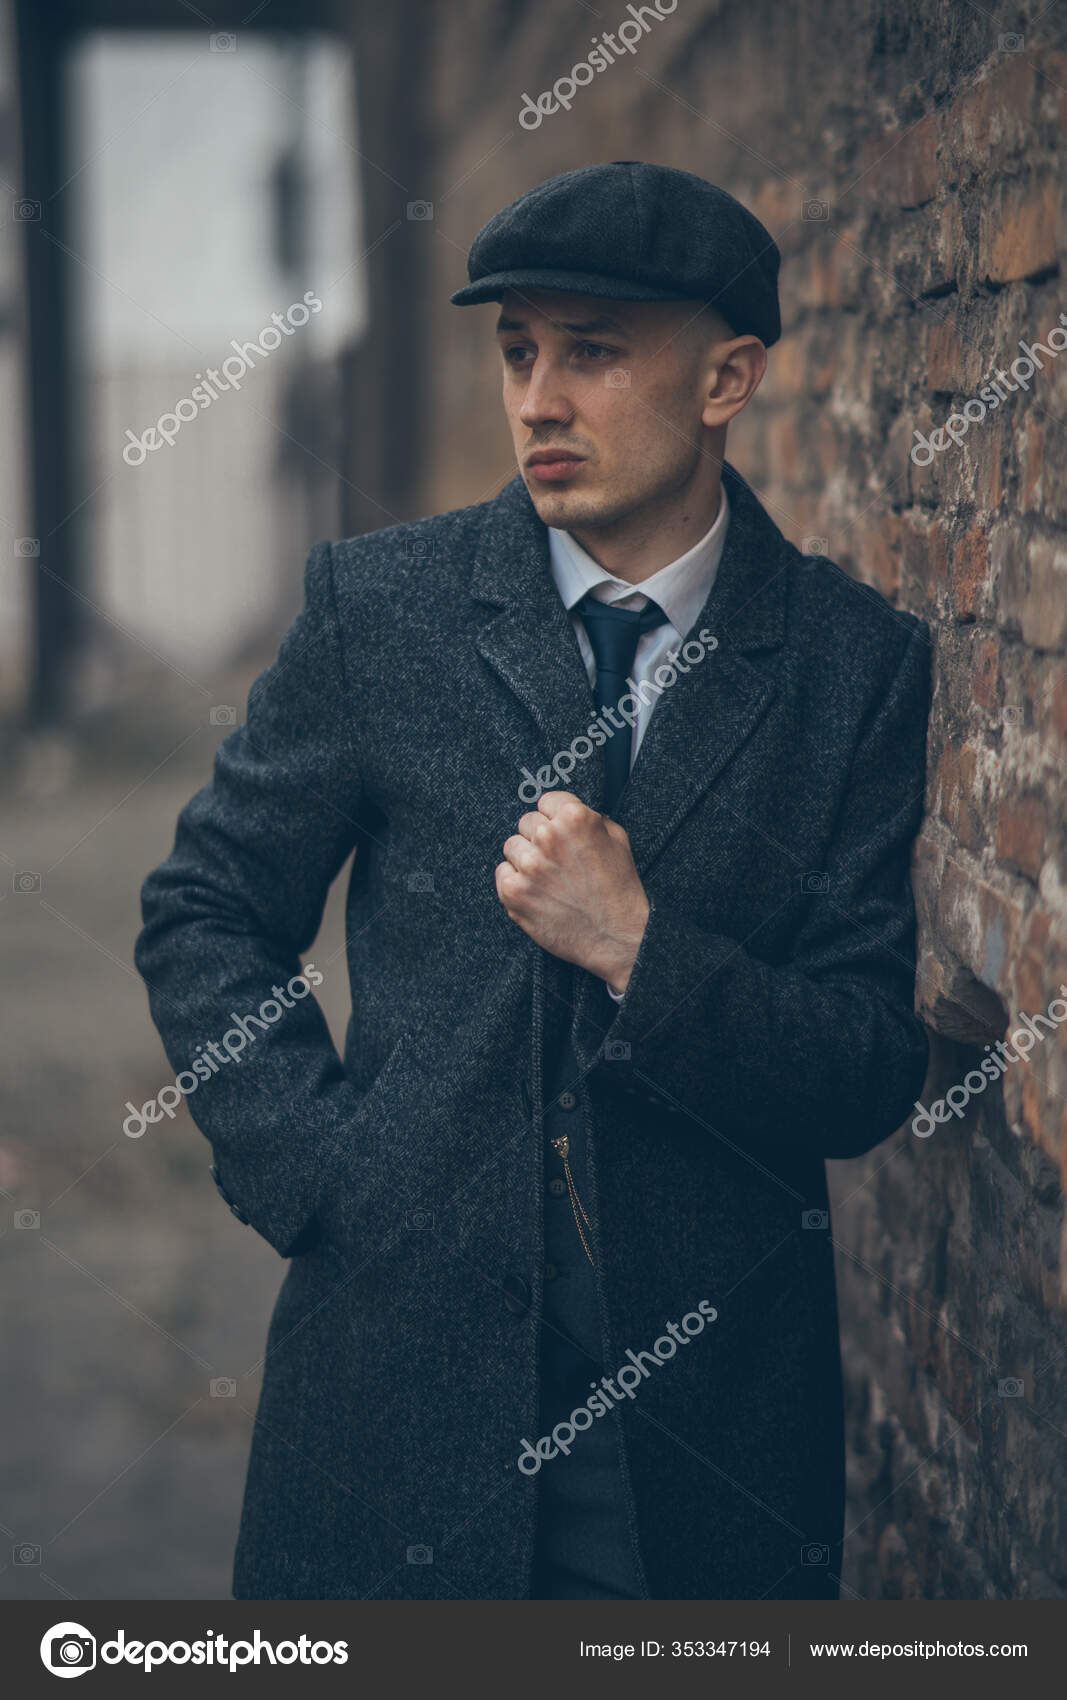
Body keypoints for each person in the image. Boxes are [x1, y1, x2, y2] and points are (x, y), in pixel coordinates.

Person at [134, 160, 932, 1601]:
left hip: (701, 1445)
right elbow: (206, 913)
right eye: (517, 352)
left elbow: (869, 1066)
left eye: (594, 352)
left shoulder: (850, 670)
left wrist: (643, 948)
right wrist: (324, 1174)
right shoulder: (381, 615)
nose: (538, 401)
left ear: (725, 378)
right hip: (396, 1402)